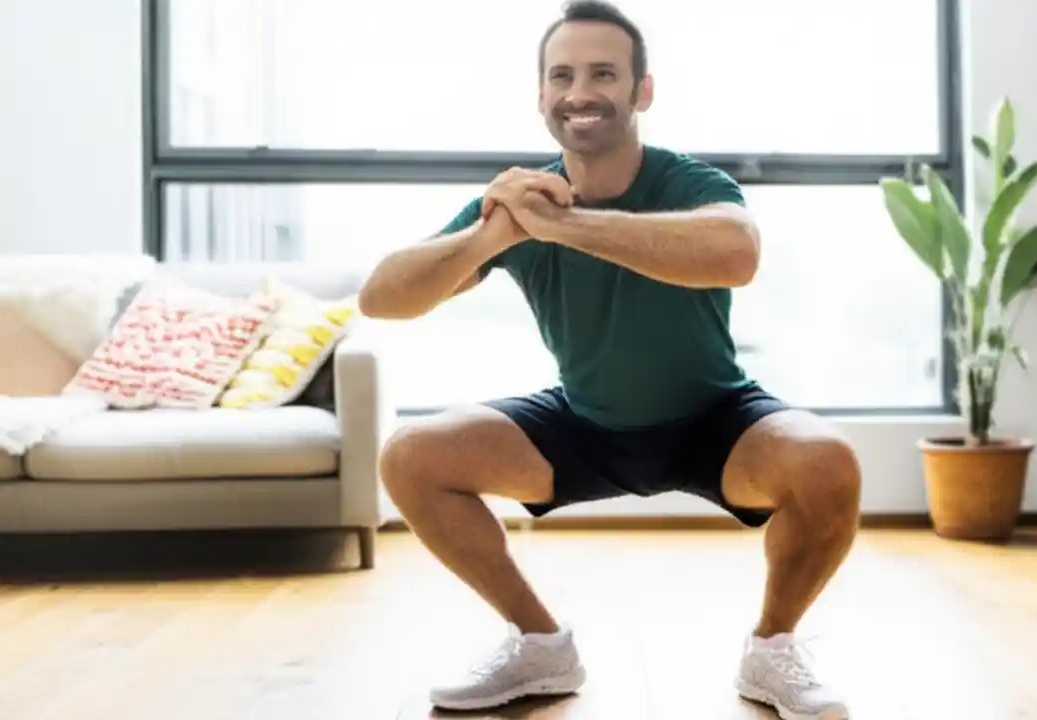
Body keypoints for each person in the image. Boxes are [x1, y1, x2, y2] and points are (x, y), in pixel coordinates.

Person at [360, 2, 860, 718]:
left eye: (603, 73)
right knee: (411, 456)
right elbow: (382, 298)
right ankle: (539, 647)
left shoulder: (688, 183)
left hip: (715, 420)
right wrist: (487, 238)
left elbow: (736, 253)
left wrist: (568, 227)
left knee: (826, 460)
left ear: (641, 91)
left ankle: (773, 651)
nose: (580, 91)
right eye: (561, 75)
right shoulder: (519, 204)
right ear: (541, 97)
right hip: (584, 422)